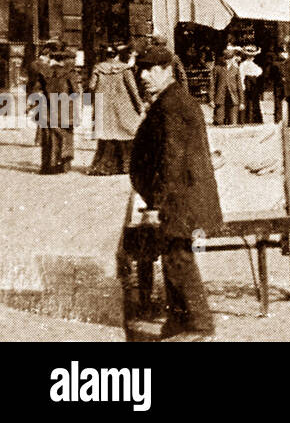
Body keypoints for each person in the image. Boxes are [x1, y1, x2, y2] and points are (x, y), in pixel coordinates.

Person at [124, 45, 222, 341]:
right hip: (176, 198)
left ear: (167, 69)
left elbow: (173, 160)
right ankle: (179, 322)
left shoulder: (173, 105)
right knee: (172, 258)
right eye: (141, 69)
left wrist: (161, 202)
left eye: (151, 70)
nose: (143, 76)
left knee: (179, 260)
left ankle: (200, 325)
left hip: (180, 198)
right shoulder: (168, 101)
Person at [87, 44, 143, 175]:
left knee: (106, 137)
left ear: (105, 56)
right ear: (117, 55)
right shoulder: (125, 69)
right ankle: (125, 166)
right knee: (124, 134)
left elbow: (91, 86)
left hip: (104, 106)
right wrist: (139, 106)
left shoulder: (98, 68)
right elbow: (133, 90)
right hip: (122, 106)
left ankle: (104, 167)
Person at [29, 43, 76, 174]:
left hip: (48, 109)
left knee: (49, 137)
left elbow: (36, 90)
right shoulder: (69, 73)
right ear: (63, 60)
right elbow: (75, 92)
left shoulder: (43, 72)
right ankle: (63, 165)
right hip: (65, 109)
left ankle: (48, 166)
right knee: (65, 135)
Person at [209, 46, 241, 126]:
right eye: (226, 59)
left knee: (233, 123)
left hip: (233, 99)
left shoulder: (235, 70)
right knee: (219, 122)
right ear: (223, 58)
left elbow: (239, 86)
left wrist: (242, 102)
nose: (228, 61)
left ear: (232, 58)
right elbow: (212, 85)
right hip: (220, 99)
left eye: (230, 59)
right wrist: (211, 99)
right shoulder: (217, 69)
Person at [239, 47, 263, 124]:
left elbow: (259, 73)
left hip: (254, 85)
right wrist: (242, 85)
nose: (251, 57)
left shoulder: (255, 65)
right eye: (250, 56)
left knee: (254, 102)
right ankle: (248, 119)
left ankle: (254, 118)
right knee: (248, 101)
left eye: (252, 56)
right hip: (247, 84)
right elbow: (241, 75)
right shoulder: (243, 65)